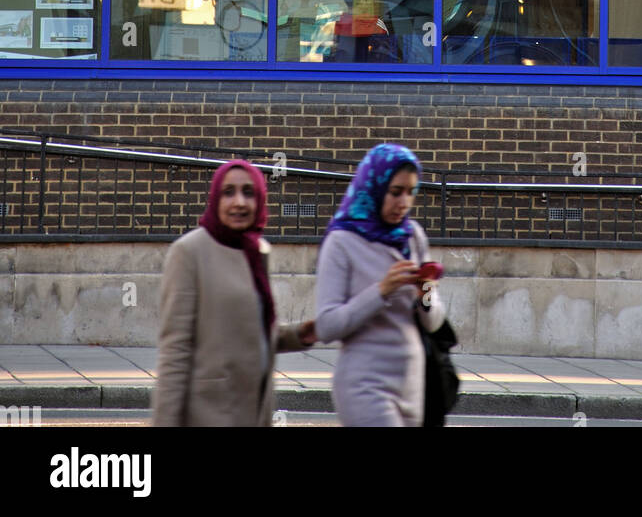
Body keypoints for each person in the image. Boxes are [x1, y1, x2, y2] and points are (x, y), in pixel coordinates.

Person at [152, 158, 316, 427]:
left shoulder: (257, 250)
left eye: (248, 192)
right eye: (229, 192)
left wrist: (297, 335)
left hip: (253, 412)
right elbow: (175, 351)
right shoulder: (189, 252)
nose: (239, 202)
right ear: (215, 197)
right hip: (209, 413)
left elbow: (247, 330)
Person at [314, 142, 445, 427]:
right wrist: (381, 291)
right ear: (374, 186)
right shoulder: (342, 241)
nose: (404, 203)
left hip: (413, 385)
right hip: (365, 385)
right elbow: (326, 326)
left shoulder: (413, 237)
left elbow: (432, 322)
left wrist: (425, 292)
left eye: (411, 192)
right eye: (395, 192)